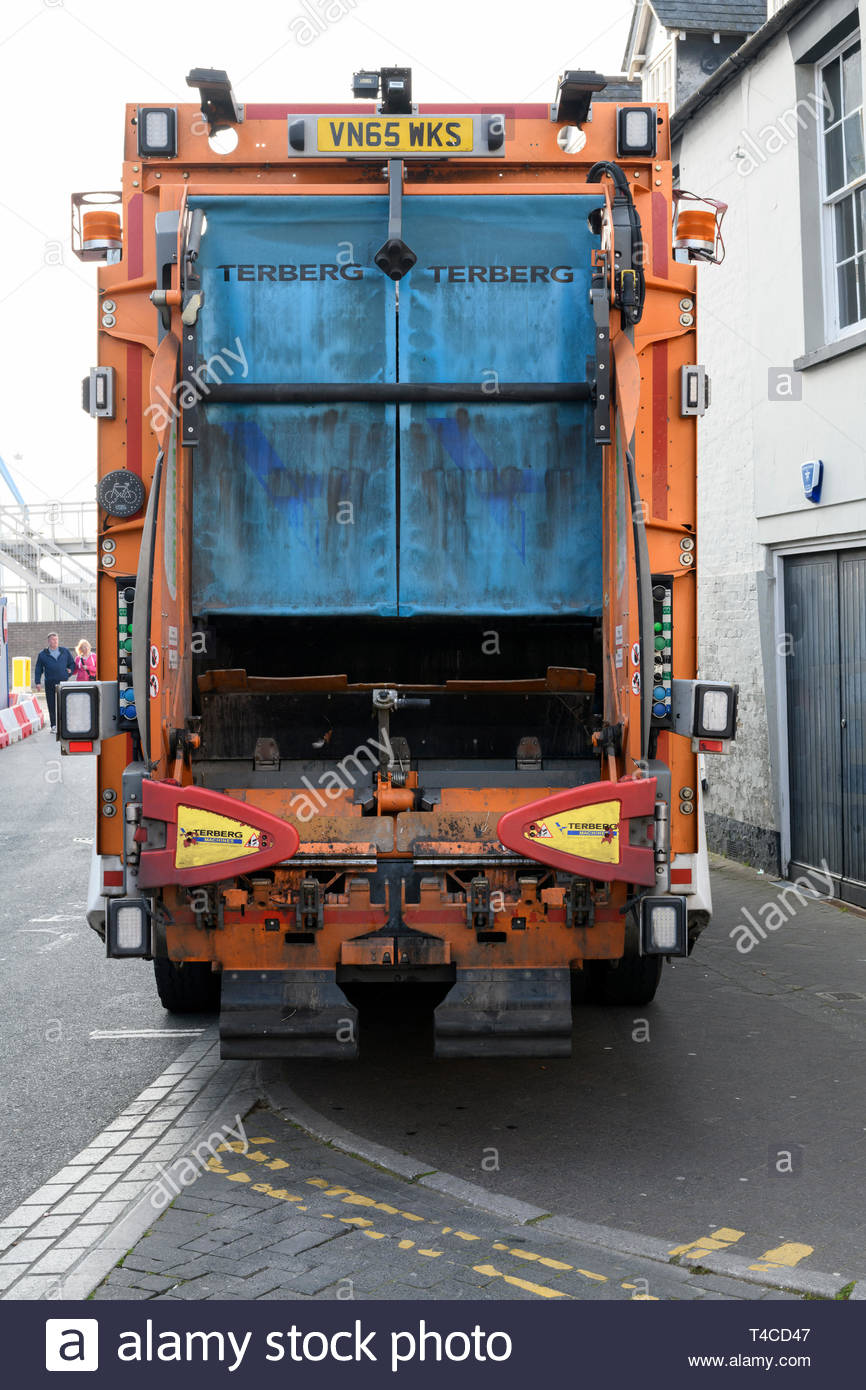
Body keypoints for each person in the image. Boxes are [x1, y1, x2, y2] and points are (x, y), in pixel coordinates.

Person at [34, 632, 75, 731]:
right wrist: (37, 682)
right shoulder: (43, 654)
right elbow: (38, 669)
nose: (55, 641)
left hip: (63, 682)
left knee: (64, 703)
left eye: (56, 639)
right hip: (50, 683)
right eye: (53, 639)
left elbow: (72, 664)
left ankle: (65, 724)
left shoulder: (64, 651)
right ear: (49, 641)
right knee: (51, 704)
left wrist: (69, 673)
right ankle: (53, 725)